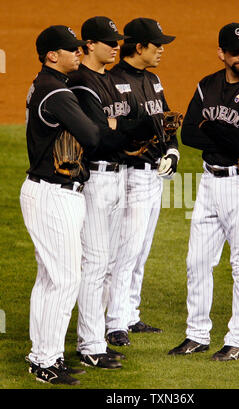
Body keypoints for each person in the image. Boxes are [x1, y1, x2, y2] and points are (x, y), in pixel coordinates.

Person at [168, 23, 239, 361]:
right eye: (234, 51)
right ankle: (197, 334)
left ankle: (237, 341)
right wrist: (223, 134)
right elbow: (188, 135)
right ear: (222, 53)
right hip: (208, 183)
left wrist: (211, 126)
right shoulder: (207, 86)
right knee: (196, 260)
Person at [20, 24, 120, 386]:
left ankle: (41, 355)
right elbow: (94, 136)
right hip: (54, 194)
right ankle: (47, 359)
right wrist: (104, 124)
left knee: (49, 279)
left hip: (48, 191)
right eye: (72, 49)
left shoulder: (47, 85)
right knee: (64, 279)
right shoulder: (56, 92)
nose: (79, 52)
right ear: (52, 55)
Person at [68, 16, 155, 364]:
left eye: (117, 40)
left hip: (118, 177)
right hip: (95, 180)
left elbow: (115, 127)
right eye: (109, 41)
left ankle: (97, 335)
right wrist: (132, 129)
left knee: (107, 261)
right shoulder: (82, 82)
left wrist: (121, 128)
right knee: (94, 264)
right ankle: (89, 346)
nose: (116, 45)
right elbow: (99, 137)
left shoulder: (108, 80)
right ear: (89, 45)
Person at [104, 17, 179, 346]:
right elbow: (114, 133)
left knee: (142, 250)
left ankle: (130, 314)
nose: (162, 50)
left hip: (154, 178)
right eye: (157, 44)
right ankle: (114, 322)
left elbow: (166, 121)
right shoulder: (113, 81)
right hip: (129, 177)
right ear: (139, 47)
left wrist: (173, 152)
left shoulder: (154, 80)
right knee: (126, 250)